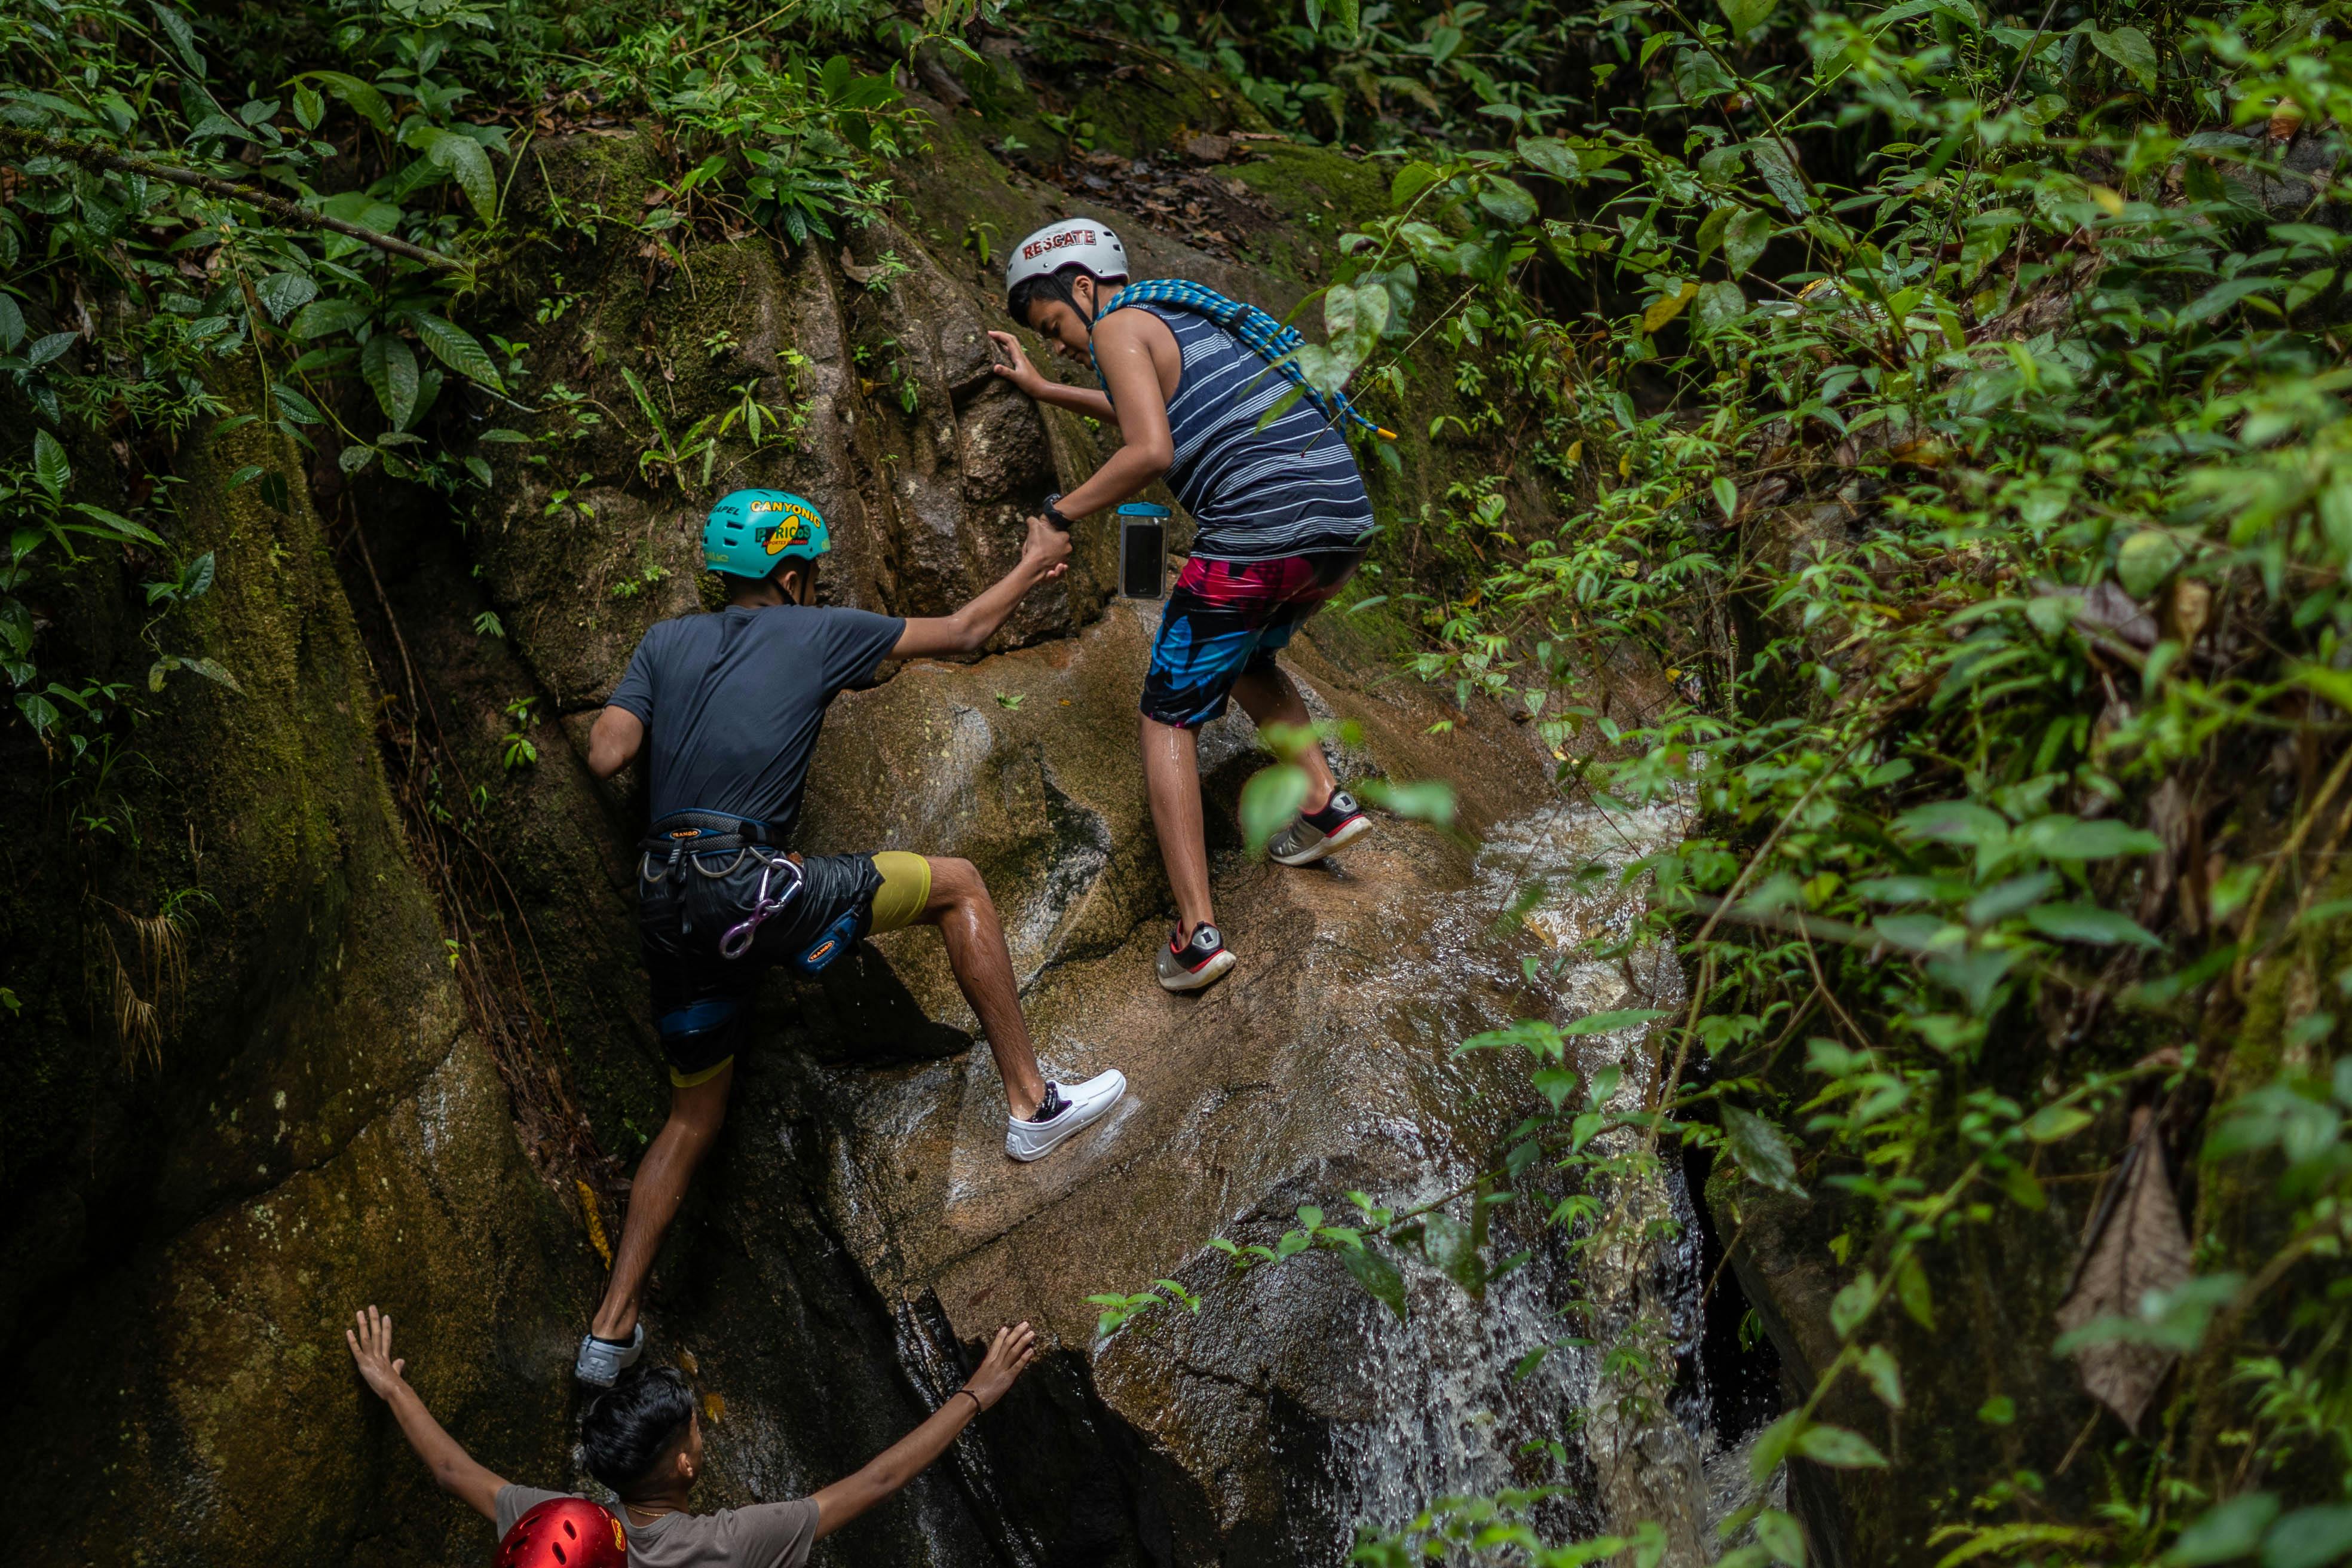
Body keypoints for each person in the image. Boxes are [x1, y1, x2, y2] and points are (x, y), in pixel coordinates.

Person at [575, 488, 1127, 1387]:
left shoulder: (664, 643)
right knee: (959, 887)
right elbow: (960, 633)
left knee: (692, 1114)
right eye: (809, 573)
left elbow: (605, 753)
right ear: (789, 576)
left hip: (664, 902)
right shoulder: (819, 628)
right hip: (747, 886)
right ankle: (1033, 1106)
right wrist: (1031, 563)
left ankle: (609, 1329)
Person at [987, 219, 1376, 997]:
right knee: (1247, 660)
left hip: (1260, 530)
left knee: (1167, 714)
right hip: (1338, 523)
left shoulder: (1120, 327)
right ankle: (1324, 805)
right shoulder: (1182, 318)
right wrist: (1043, 389)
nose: (1062, 342)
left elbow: (1149, 451)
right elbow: (1144, 415)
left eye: (1056, 324)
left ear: (1084, 287)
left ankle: (1196, 934)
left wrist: (1062, 515)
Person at [345, 1304, 1037, 1567]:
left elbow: (452, 1470)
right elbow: (878, 1479)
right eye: (696, 1430)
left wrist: (391, 1382)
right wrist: (977, 1392)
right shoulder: (730, 1544)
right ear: (681, 1463)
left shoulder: (561, 1529)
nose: (702, 1436)